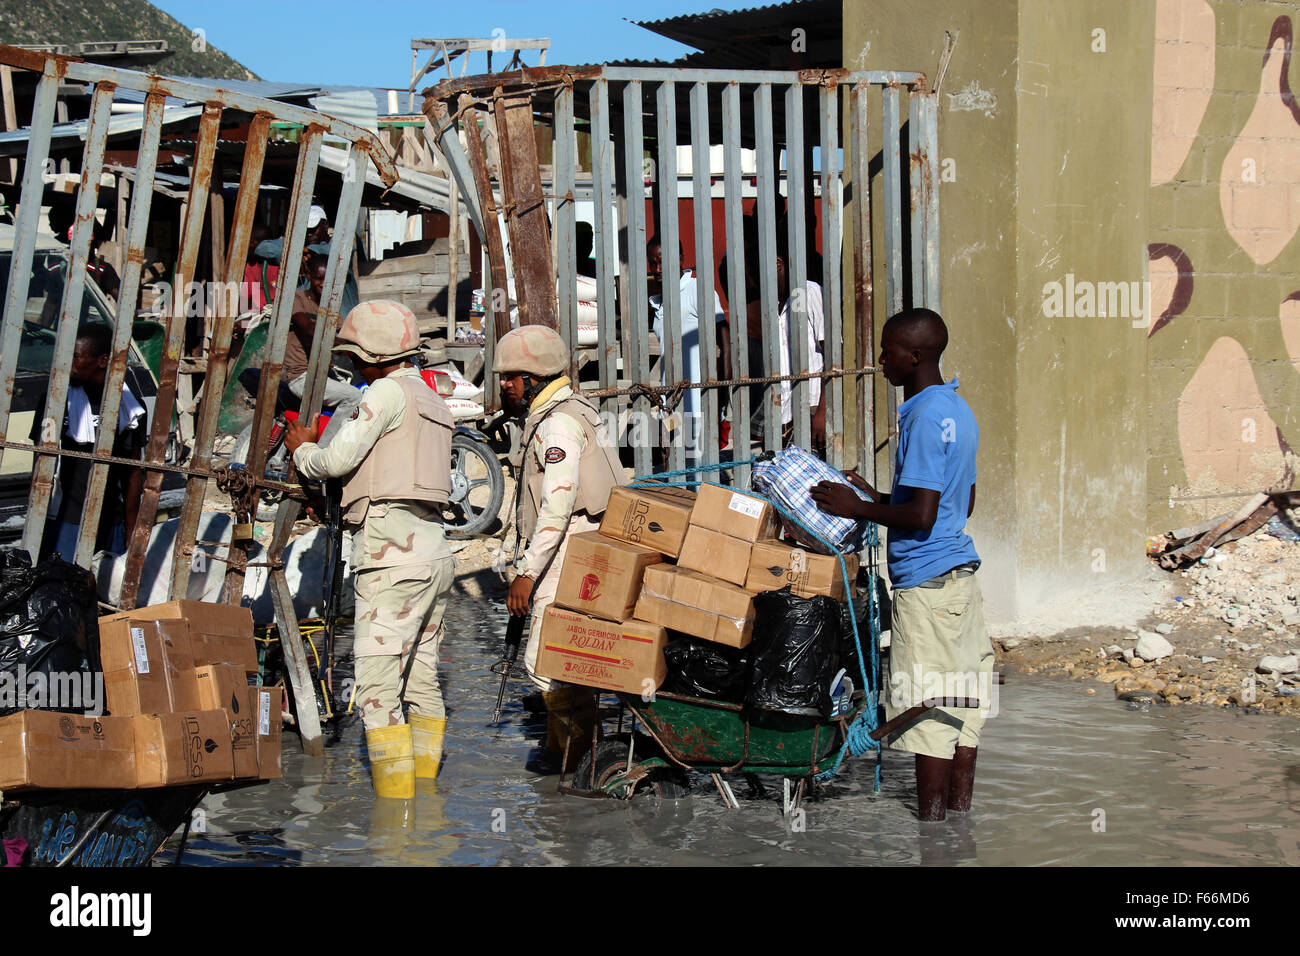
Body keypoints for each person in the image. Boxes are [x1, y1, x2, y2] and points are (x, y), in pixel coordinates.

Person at [809, 307, 993, 823]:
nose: (881, 362)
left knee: (927, 718)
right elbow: (961, 503)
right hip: (960, 586)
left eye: (888, 352)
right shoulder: (957, 409)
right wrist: (877, 495)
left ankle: (932, 839)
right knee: (960, 710)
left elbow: (921, 514)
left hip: (928, 590)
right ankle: (959, 832)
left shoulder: (922, 416)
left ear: (914, 357)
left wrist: (857, 508)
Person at [285, 300, 455, 799]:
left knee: (377, 693)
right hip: (436, 554)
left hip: (389, 556)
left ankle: (397, 825)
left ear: (372, 355)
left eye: (356, 356)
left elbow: (336, 459)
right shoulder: (433, 399)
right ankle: (428, 810)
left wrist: (301, 448)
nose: (354, 366)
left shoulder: (383, 391)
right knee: (422, 683)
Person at [496, 325, 622, 771]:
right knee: (569, 657)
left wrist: (527, 573)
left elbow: (558, 506)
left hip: (571, 549)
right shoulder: (579, 410)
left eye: (511, 376)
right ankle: (570, 756)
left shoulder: (560, 423)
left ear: (533, 376)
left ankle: (575, 763)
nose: (505, 385)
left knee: (546, 662)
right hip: (588, 548)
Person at [31, 322, 147, 563]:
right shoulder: (55, 402)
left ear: (102, 361)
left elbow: (132, 473)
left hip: (110, 521)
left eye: (76, 357)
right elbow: (40, 465)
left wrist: (131, 530)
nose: (67, 363)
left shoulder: (131, 409)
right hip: (64, 521)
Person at [646, 238, 729, 464]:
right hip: (671, 404)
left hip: (698, 401)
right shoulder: (659, 301)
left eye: (663, 262)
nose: (658, 269)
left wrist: (721, 389)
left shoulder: (696, 290)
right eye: (653, 263)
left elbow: (725, 337)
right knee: (676, 460)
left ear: (681, 260)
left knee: (699, 466)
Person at [285, 253, 363, 407]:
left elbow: (348, 330)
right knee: (354, 397)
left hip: (323, 373)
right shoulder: (297, 299)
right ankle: (334, 433)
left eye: (327, 281)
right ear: (309, 276)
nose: (323, 284)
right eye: (318, 279)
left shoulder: (330, 307)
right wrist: (343, 344)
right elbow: (309, 330)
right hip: (301, 376)